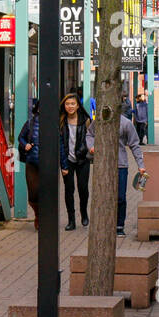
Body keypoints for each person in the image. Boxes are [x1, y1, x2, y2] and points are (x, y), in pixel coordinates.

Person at [57, 92, 94, 231]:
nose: (70, 106)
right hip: (68, 160)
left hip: (82, 159)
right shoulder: (61, 120)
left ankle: (83, 213)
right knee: (69, 190)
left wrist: (84, 150)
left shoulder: (86, 120)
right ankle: (71, 220)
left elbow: (90, 138)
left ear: (78, 105)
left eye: (73, 104)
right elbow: (60, 143)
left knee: (83, 188)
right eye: (67, 104)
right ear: (64, 106)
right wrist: (63, 164)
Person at [116, 112, 146, 237]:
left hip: (121, 165)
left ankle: (119, 226)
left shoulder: (126, 123)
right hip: (103, 165)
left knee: (120, 197)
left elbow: (134, 145)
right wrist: (91, 147)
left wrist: (141, 165)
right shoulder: (100, 120)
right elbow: (90, 134)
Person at [16, 99, 42, 230]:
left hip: (48, 163)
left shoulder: (54, 123)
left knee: (47, 191)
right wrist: (25, 144)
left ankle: (45, 218)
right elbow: (20, 137)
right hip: (32, 162)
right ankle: (38, 214)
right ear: (37, 108)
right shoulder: (30, 123)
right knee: (33, 192)